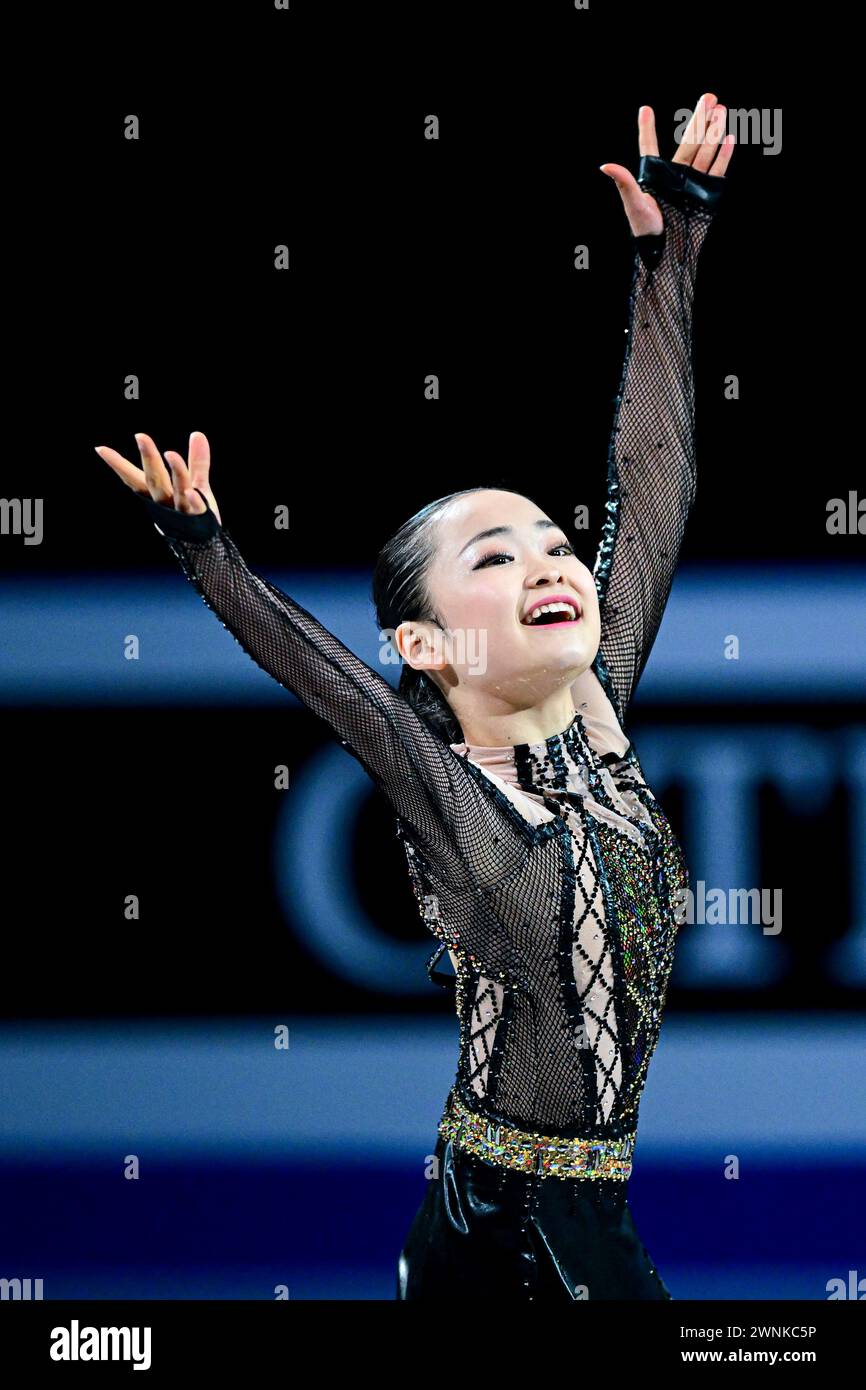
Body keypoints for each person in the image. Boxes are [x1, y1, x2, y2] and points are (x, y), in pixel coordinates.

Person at [95, 93, 734, 1301]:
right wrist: (210, 557)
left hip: (567, 1207)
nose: (552, 562)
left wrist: (671, 253)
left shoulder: (595, 709)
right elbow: (340, 690)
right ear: (426, 643)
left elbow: (653, 483)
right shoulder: (455, 797)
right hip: (510, 1222)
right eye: (494, 557)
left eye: (551, 541)